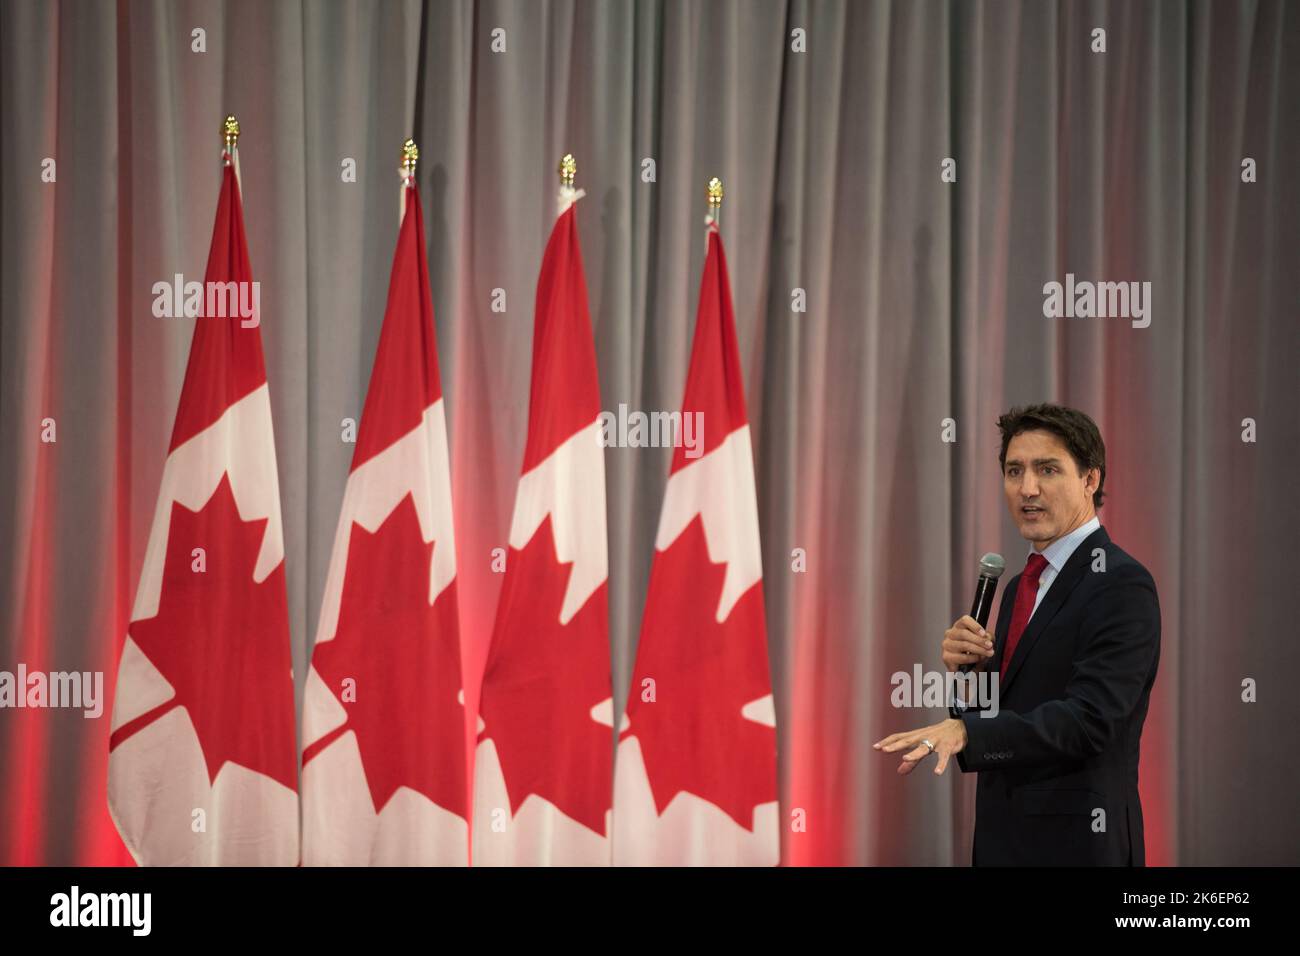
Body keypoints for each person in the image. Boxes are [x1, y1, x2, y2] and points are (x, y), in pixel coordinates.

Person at [874, 403, 1160, 865]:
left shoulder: (1121, 582)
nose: (1027, 489)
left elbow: (1091, 720)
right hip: (1003, 842)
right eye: (1014, 471)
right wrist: (970, 673)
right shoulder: (1017, 586)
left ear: (1091, 480)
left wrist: (967, 732)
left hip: (1078, 847)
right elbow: (1005, 707)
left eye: (1047, 469)